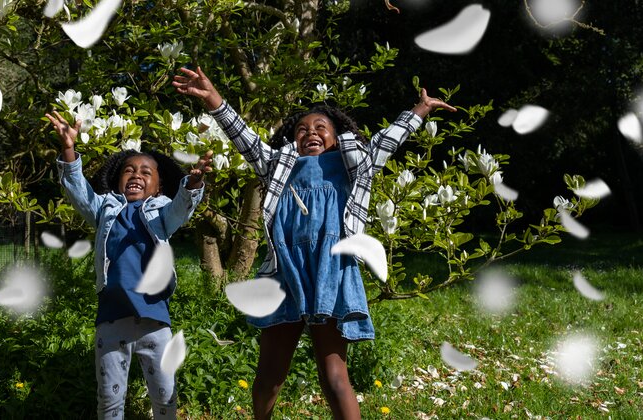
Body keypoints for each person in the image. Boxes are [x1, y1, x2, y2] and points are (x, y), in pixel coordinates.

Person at [173, 67, 455, 419]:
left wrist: (420, 110)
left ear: (337, 137)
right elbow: (242, 137)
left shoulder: (354, 166)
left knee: (334, 375)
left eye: (321, 128)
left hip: (332, 273)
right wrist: (213, 97)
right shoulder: (278, 165)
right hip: (284, 274)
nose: (311, 133)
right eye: (302, 130)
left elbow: (386, 141)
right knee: (268, 377)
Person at [46, 110, 213, 420]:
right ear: (118, 179)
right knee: (109, 402)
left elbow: (181, 208)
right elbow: (79, 192)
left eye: (146, 172)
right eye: (129, 170)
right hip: (111, 320)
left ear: (159, 187)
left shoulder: (162, 212)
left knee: (165, 399)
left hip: (154, 319)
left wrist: (194, 182)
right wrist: (68, 150)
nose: (136, 175)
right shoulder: (105, 208)